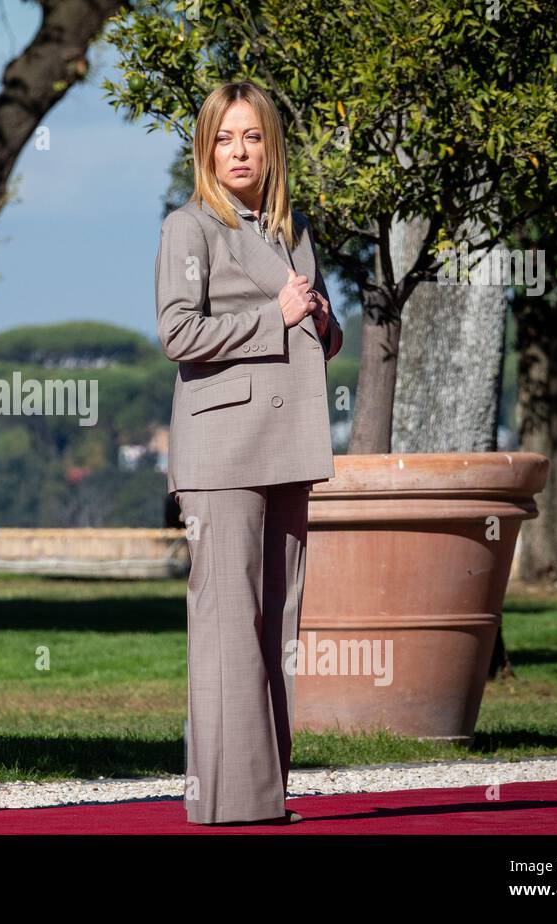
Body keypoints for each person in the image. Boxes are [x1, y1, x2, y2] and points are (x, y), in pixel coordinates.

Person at [153, 81, 343, 826]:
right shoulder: (189, 228)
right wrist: (277, 315)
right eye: (226, 138)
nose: (239, 152)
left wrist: (323, 323)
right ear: (206, 148)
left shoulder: (291, 233)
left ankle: (267, 792)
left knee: (277, 622)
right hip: (222, 451)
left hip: (289, 446)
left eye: (253, 138)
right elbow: (178, 334)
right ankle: (227, 800)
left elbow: (316, 335)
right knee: (228, 621)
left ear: (272, 147)